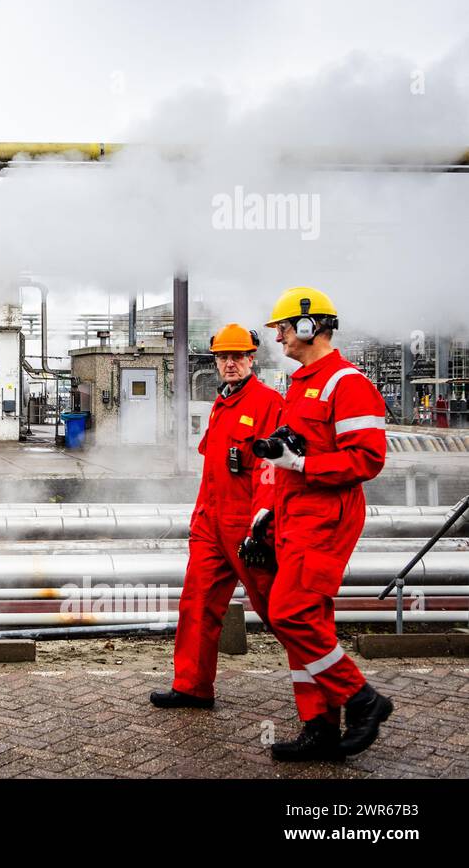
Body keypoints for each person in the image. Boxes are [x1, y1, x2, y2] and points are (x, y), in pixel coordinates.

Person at [261, 286, 393, 761]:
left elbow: (367, 458)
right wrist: (268, 510)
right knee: (307, 622)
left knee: (289, 614)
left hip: (324, 520)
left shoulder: (347, 382)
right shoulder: (299, 383)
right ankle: (319, 728)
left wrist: (302, 465)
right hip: (295, 516)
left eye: (281, 329)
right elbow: (291, 454)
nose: (277, 339)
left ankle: (363, 699)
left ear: (306, 325)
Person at [150, 325, 283, 709]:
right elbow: (215, 468)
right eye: (223, 357)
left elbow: (270, 471)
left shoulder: (268, 403)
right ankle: (192, 686)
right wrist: (200, 519)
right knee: (197, 602)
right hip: (211, 524)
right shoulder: (221, 405)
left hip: (246, 527)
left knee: (279, 608)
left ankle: (328, 685)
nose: (230, 363)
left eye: (237, 356)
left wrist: (262, 525)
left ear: (251, 359)